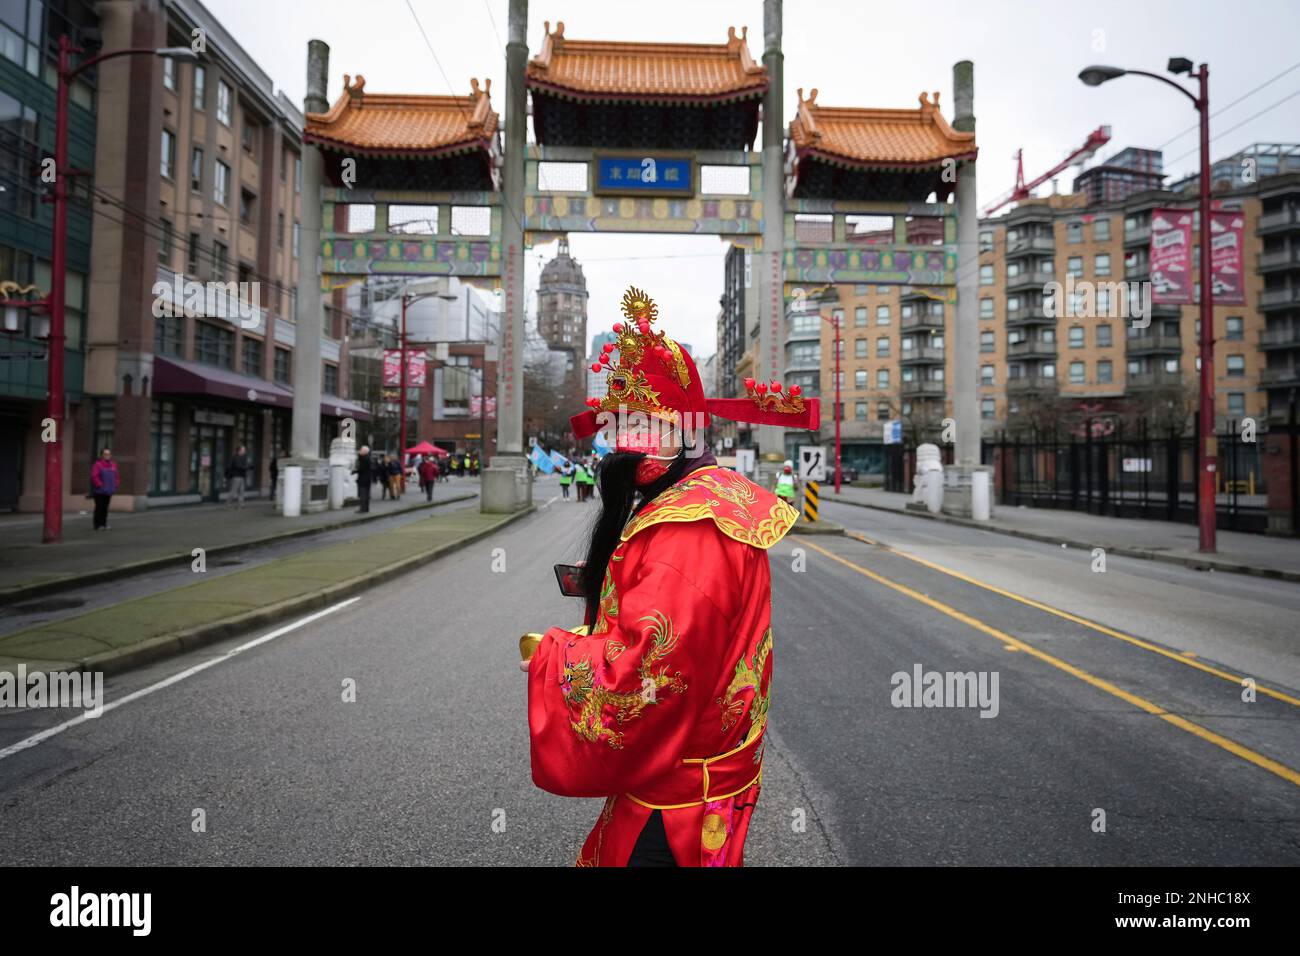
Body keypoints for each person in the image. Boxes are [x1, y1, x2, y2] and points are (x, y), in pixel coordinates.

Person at [521, 285, 820, 867]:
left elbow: (648, 680)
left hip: (676, 800)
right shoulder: (696, 501)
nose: (620, 448)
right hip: (696, 780)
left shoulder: (688, 528)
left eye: (639, 429)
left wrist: (553, 654)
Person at [89, 447, 119, 531]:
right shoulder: (97, 465)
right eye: (105, 454)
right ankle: (97, 525)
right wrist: (100, 485)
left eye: (109, 454)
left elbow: (116, 476)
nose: (107, 456)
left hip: (108, 491)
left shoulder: (113, 465)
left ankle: (104, 524)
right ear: (102, 455)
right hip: (99, 491)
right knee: (99, 508)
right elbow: (94, 476)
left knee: (105, 508)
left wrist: (115, 485)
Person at [353, 445, 373, 513]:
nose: (360, 451)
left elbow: (361, 468)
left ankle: (363, 509)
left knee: (363, 494)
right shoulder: (368, 458)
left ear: (364, 451)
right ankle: (366, 508)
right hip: (367, 479)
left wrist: (355, 471)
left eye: (361, 450)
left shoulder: (365, 458)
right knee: (366, 494)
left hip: (363, 479)